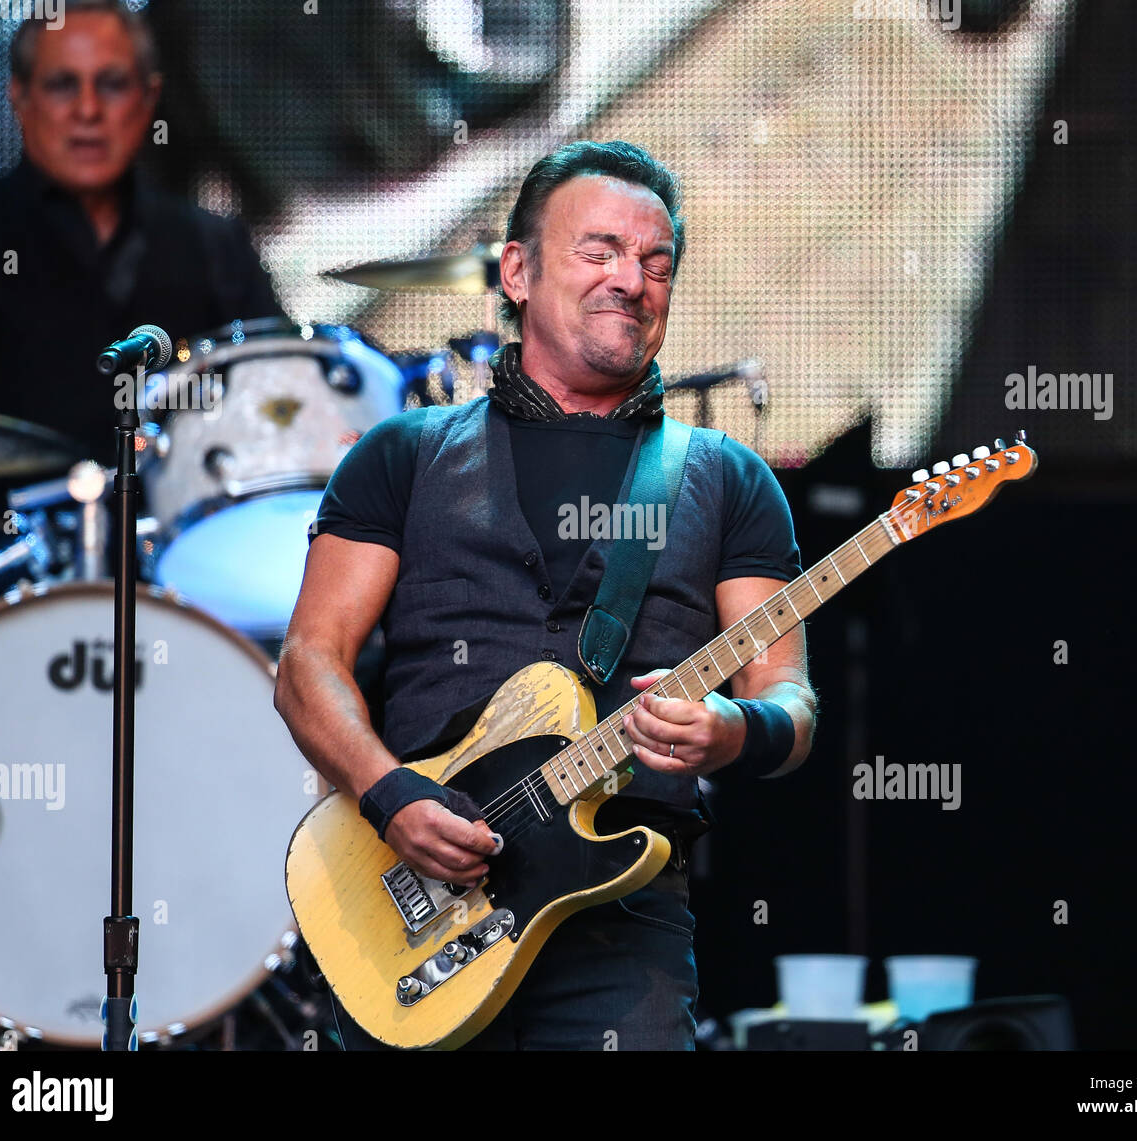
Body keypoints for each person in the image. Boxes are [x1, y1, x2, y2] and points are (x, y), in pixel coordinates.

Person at [274, 139, 818, 1051]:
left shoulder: (728, 480)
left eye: (655, 262)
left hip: (619, 913)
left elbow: (790, 699)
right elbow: (307, 664)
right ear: (518, 272)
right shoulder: (402, 455)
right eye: (599, 250)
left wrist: (735, 728)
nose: (631, 280)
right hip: (415, 889)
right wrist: (388, 792)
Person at [0, 0, 281, 563]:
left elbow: (278, 399)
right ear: (20, 99)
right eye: (62, 85)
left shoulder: (214, 243)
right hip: (10, 581)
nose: (88, 110)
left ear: (149, 98)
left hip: (192, 581)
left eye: (111, 84)